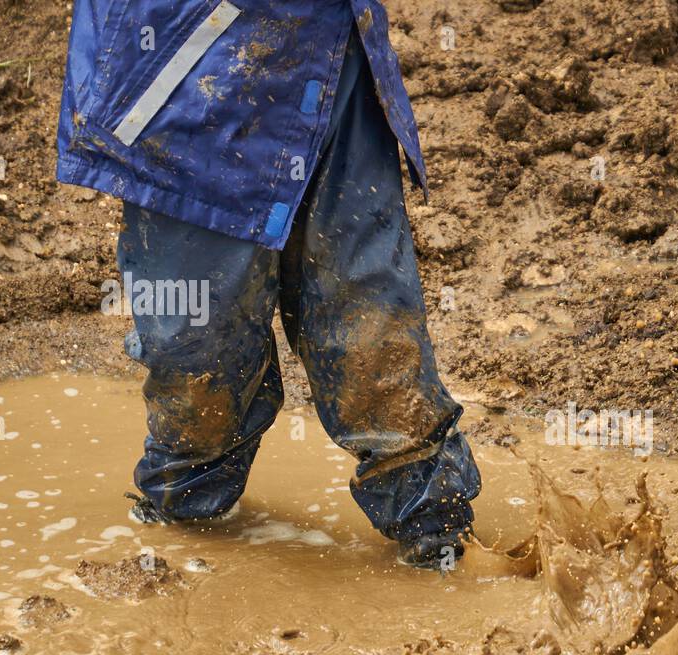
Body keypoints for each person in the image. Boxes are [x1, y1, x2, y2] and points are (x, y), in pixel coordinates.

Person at [56, 0, 479, 569]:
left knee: (372, 320)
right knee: (199, 358)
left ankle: (438, 536)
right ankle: (183, 522)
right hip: (182, 68)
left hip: (327, 47)